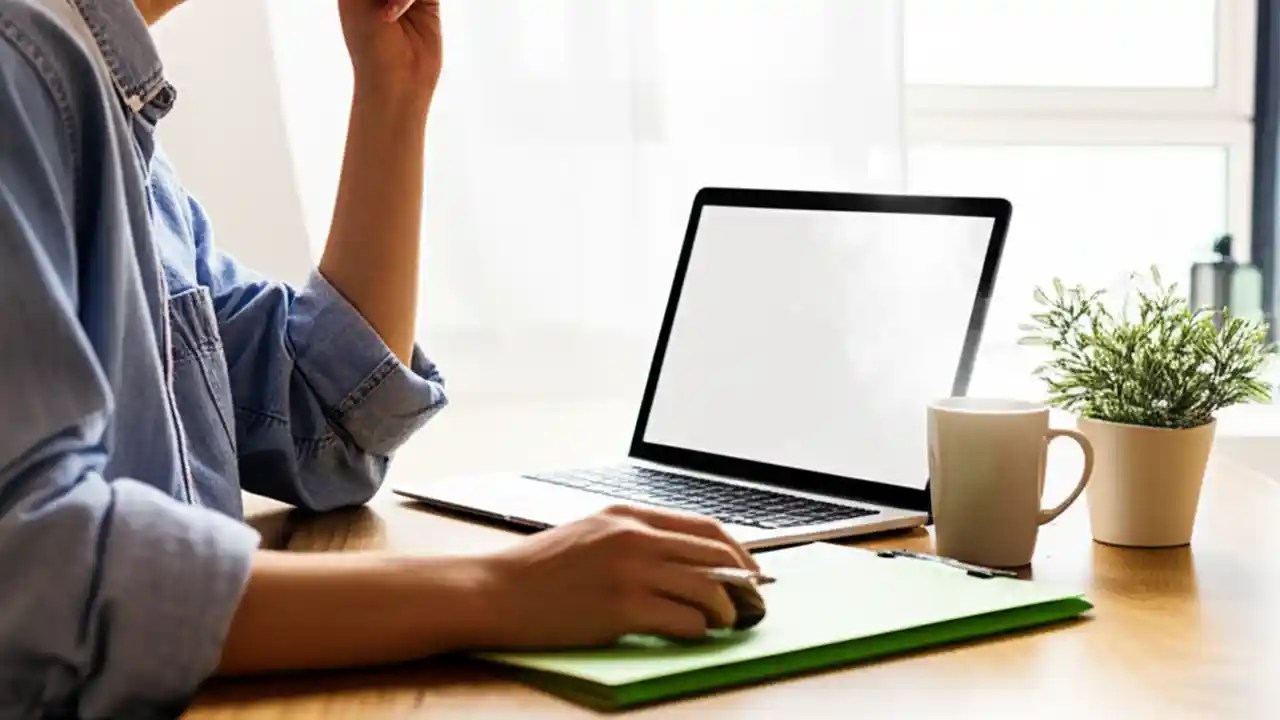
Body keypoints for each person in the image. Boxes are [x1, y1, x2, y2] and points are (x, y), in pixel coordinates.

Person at [0, 0, 755, 715]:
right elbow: (37, 576)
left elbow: (321, 426)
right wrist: (502, 589)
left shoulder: (105, 115)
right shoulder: (17, 59)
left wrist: (393, 88)